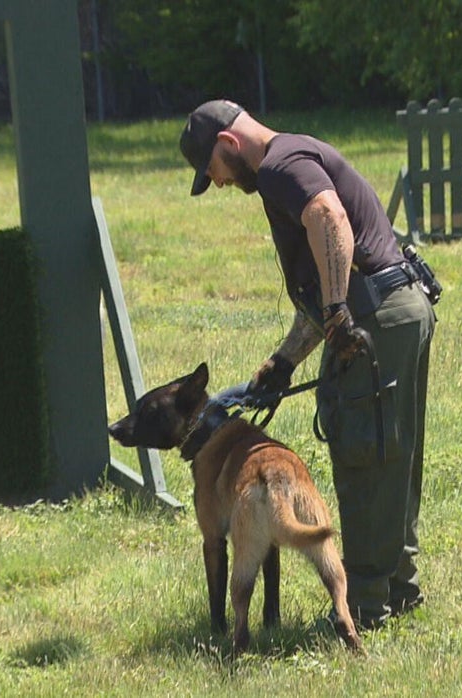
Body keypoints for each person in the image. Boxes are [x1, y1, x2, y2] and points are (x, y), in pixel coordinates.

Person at [179, 99, 436, 630]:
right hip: (397, 310)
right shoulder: (294, 154)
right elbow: (324, 280)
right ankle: (399, 587)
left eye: (213, 170)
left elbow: (328, 216)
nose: (219, 183)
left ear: (228, 143)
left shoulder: (279, 166)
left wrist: (338, 311)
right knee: (395, 457)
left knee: (366, 457)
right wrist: (285, 361)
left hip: (376, 318)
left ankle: (365, 606)